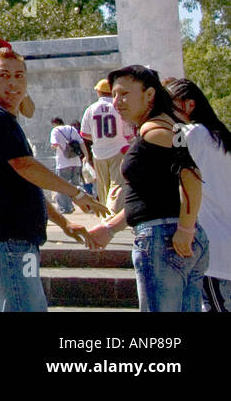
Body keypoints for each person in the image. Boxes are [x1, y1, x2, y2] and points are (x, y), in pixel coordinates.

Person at [0, 48, 109, 310]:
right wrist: (76, 193)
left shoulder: (4, 118)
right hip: (6, 240)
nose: (13, 83)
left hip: (17, 238)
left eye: (19, 76)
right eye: (4, 76)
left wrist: (63, 222)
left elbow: (24, 183)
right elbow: (25, 166)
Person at [86, 66, 208, 312]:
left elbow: (192, 176)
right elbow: (148, 196)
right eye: (114, 95)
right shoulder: (166, 126)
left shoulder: (155, 130)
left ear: (149, 94)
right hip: (172, 238)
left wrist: (186, 227)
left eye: (124, 94)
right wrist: (110, 228)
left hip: (162, 241)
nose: (116, 102)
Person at [167, 78, 231, 311]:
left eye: (167, 104)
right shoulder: (220, 137)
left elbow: (167, 175)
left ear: (188, 105)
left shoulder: (184, 133)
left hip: (212, 252)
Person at [80, 78, 132, 214]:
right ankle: (115, 212)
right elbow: (128, 133)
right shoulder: (119, 108)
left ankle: (105, 212)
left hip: (99, 153)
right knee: (118, 184)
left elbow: (85, 134)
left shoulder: (91, 109)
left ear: (98, 92)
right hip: (119, 150)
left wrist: (99, 139)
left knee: (103, 186)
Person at [49, 117, 86, 214]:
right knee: (76, 185)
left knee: (61, 185)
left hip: (63, 163)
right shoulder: (71, 129)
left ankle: (64, 208)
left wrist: (56, 146)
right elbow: (81, 143)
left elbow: (54, 144)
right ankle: (83, 204)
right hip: (76, 162)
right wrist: (86, 156)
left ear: (54, 123)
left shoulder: (55, 130)